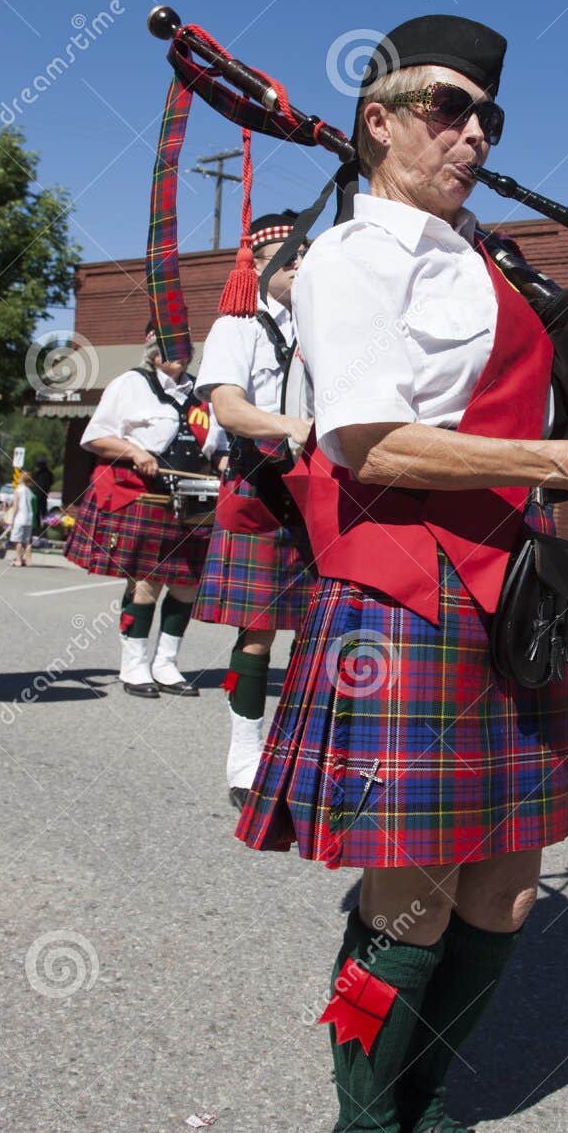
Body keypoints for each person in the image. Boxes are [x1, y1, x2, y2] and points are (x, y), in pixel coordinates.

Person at [235, 14, 568, 1133]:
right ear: (377, 119)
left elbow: (540, 403)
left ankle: (423, 1101)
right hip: (401, 588)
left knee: (511, 885)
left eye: (486, 116)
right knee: (417, 892)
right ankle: (361, 1131)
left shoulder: (481, 267)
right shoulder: (347, 259)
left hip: (502, 589)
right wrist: (563, 457)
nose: (472, 132)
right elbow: (369, 442)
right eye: (445, 108)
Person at [193, 212, 315, 808]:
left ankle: (304, 755)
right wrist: (294, 426)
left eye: (304, 254)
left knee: (323, 632)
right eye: (286, 254)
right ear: (258, 266)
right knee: (259, 634)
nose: (298, 263)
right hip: (261, 482)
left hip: (319, 488)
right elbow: (228, 409)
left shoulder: (326, 329)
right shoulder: (235, 327)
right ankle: (246, 757)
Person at [65, 326, 223, 696]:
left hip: (195, 499)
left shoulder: (203, 394)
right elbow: (94, 436)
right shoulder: (130, 384)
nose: (183, 354)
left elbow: (217, 446)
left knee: (187, 585)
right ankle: (134, 666)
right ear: (155, 353)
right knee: (146, 584)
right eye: (173, 347)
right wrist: (135, 452)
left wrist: (225, 460)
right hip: (146, 498)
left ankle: (166, 664)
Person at [8, 471, 35, 566]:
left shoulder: (18, 490)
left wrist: (12, 519)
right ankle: (28, 560)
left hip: (20, 518)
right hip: (29, 518)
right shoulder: (29, 491)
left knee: (18, 540)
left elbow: (16, 506)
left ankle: (18, 560)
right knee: (26, 541)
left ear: (21, 479)